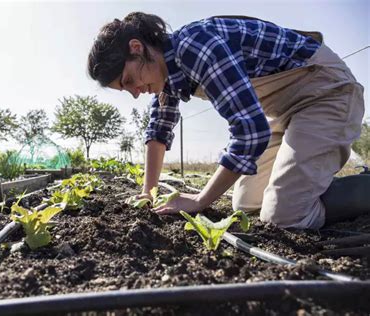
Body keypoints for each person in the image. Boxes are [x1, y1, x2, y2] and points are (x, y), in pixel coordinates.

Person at [87, 12, 366, 229]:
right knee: (246, 204)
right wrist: (148, 192)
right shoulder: (167, 75)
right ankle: (308, 187)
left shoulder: (195, 47)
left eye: (129, 81)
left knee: (285, 215)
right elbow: (159, 129)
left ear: (137, 48)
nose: (135, 92)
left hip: (327, 93)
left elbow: (250, 131)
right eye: (126, 90)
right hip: (287, 113)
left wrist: (200, 199)